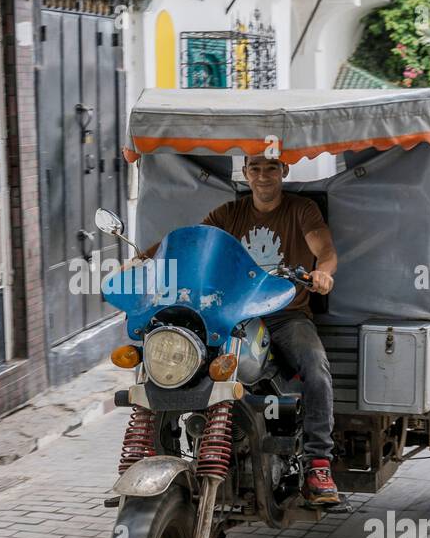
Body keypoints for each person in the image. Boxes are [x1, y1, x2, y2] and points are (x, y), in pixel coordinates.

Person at [132, 155, 341, 504]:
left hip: (286, 313)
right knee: (181, 365)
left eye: (271, 168)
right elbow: (191, 244)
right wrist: (143, 261)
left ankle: (318, 464)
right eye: (255, 169)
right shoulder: (230, 214)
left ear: (284, 171)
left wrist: (324, 273)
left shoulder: (301, 209)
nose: (263, 176)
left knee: (316, 367)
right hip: (235, 315)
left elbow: (325, 250)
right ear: (245, 173)